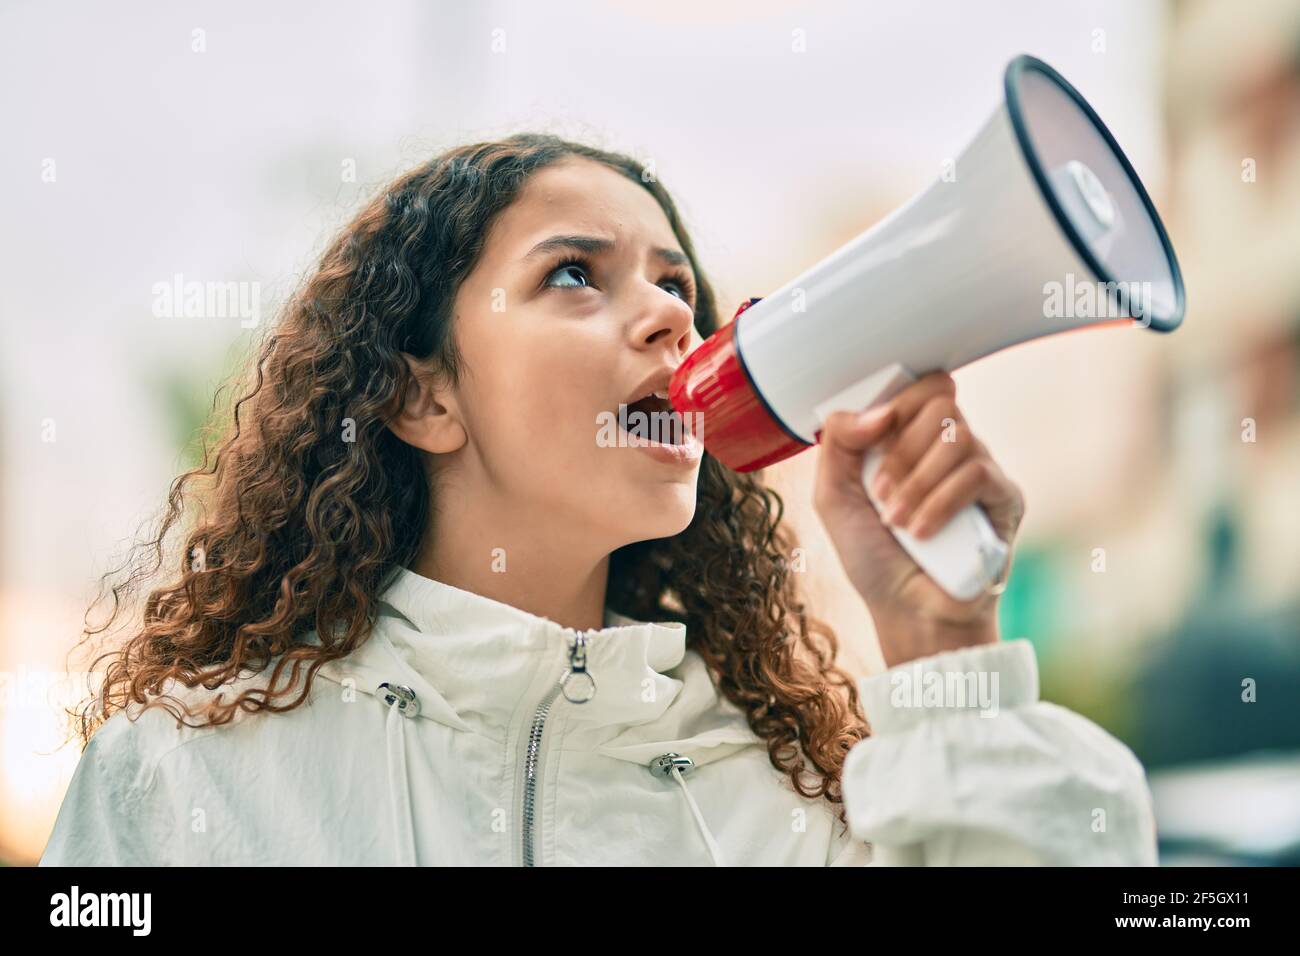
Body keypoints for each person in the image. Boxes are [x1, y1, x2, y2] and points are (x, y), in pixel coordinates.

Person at [40, 134, 1156, 866]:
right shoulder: (183, 778)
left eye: (677, 283)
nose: (674, 318)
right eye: (574, 272)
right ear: (420, 394)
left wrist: (943, 648)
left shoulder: (789, 799)